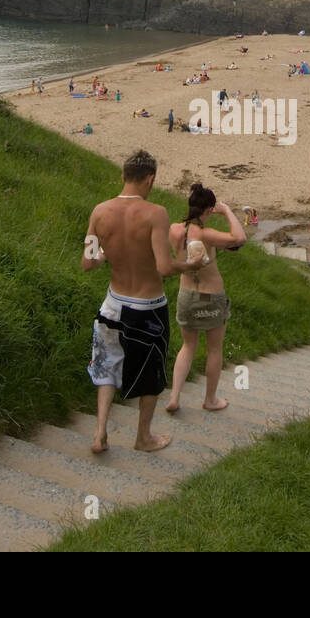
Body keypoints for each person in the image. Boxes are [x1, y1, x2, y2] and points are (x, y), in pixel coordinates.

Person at [82, 150, 207, 454]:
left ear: (123, 176)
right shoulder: (155, 213)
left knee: (107, 365)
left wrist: (107, 253)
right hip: (147, 308)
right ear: (150, 179)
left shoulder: (99, 211)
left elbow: (88, 262)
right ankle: (143, 438)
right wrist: (190, 266)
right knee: (150, 374)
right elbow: (164, 268)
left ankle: (100, 432)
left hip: (111, 305)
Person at [167, 184, 246, 414]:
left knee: (188, 346)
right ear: (208, 210)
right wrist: (228, 211)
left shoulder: (174, 230)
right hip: (211, 297)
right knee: (214, 349)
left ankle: (174, 396)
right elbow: (239, 238)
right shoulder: (206, 235)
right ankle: (210, 399)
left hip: (186, 294)